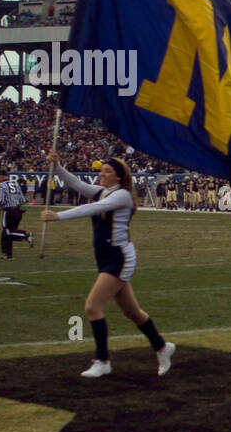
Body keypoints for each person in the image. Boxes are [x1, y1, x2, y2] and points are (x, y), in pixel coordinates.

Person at [40, 153, 175, 378]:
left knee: (93, 307)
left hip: (119, 257)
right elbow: (75, 183)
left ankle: (102, 360)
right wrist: (57, 166)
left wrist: (59, 217)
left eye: (107, 171)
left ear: (119, 177)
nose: (102, 174)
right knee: (132, 312)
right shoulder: (103, 191)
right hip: (104, 257)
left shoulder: (122, 195)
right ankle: (162, 347)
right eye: (101, 170)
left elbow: (91, 209)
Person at [0, 169, 32, 258]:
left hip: (9, 211)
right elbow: (22, 199)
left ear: (3, 176)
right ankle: (8, 254)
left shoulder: (1, 186)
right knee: (7, 233)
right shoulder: (15, 184)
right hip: (18, 211)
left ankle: (25, 236)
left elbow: (1, 200)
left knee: (7, 232)